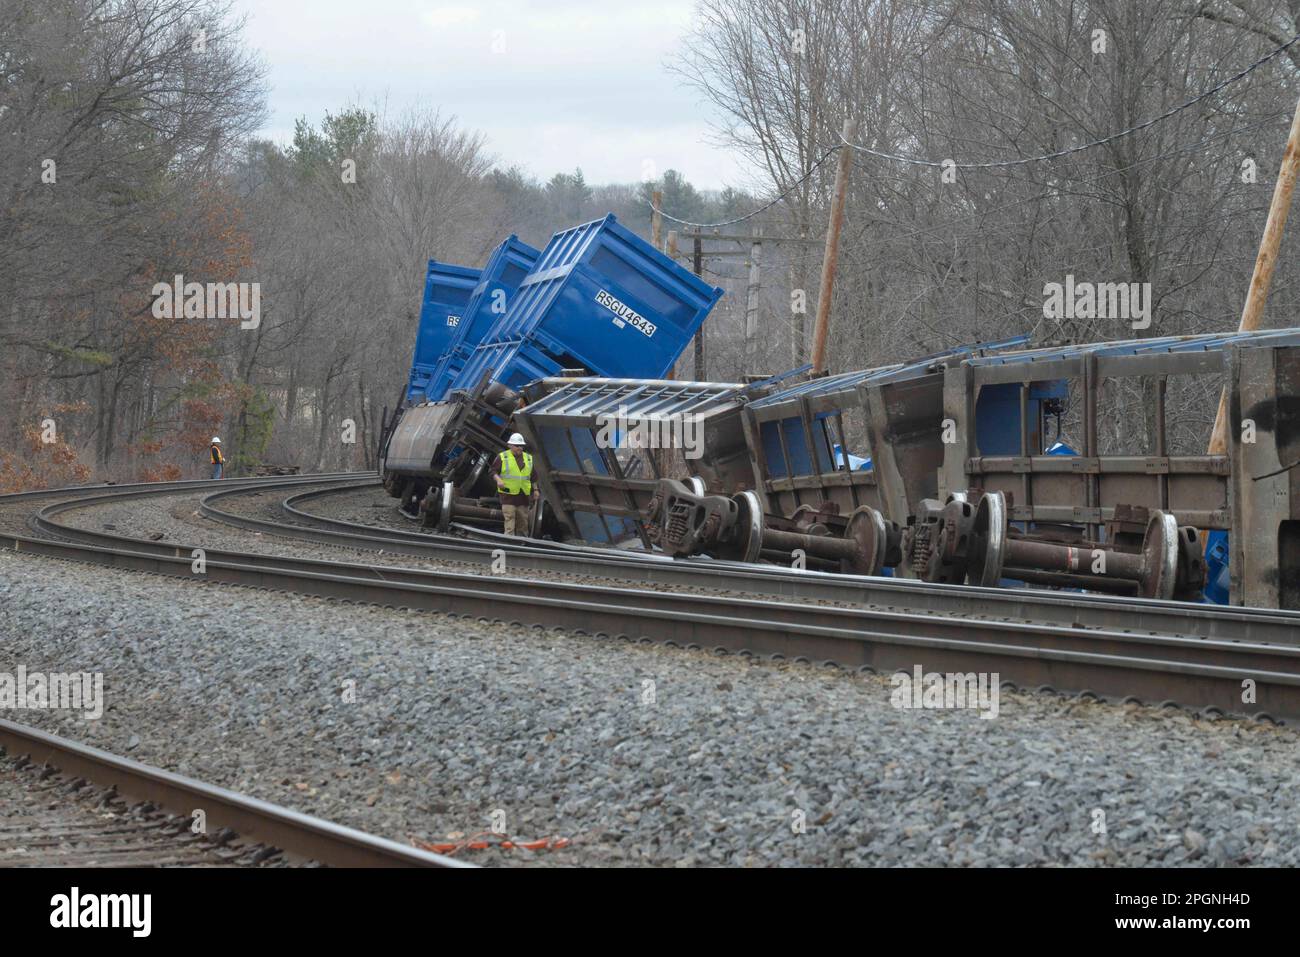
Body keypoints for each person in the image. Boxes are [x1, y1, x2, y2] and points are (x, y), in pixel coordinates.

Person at [491, 433, 535, 536]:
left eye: (521, 446)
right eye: (517, 446)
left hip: (523, 496)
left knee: (523, 523)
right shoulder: (503, 457)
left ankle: (522, 545)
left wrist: (536, 490)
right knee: (509, 521)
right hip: (508, 496)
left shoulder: (528, 458)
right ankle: (508, 545)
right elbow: (492, 471)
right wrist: (498, 480)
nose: (520, 448)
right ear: (510, 445)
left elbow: (533, 476)